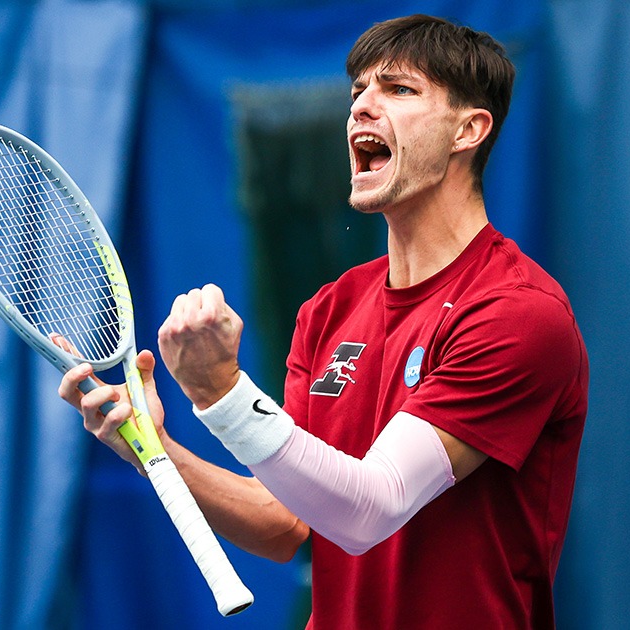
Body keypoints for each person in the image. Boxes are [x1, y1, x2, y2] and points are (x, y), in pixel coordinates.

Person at [59, 14, 588, 629]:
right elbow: (289, 521)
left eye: (399, 90)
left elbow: (370, 507)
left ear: (468, 130)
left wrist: (221, 394)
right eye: (357, 91)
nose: (362, 107)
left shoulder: (516, 313)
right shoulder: (330, 308)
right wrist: (154, 449)